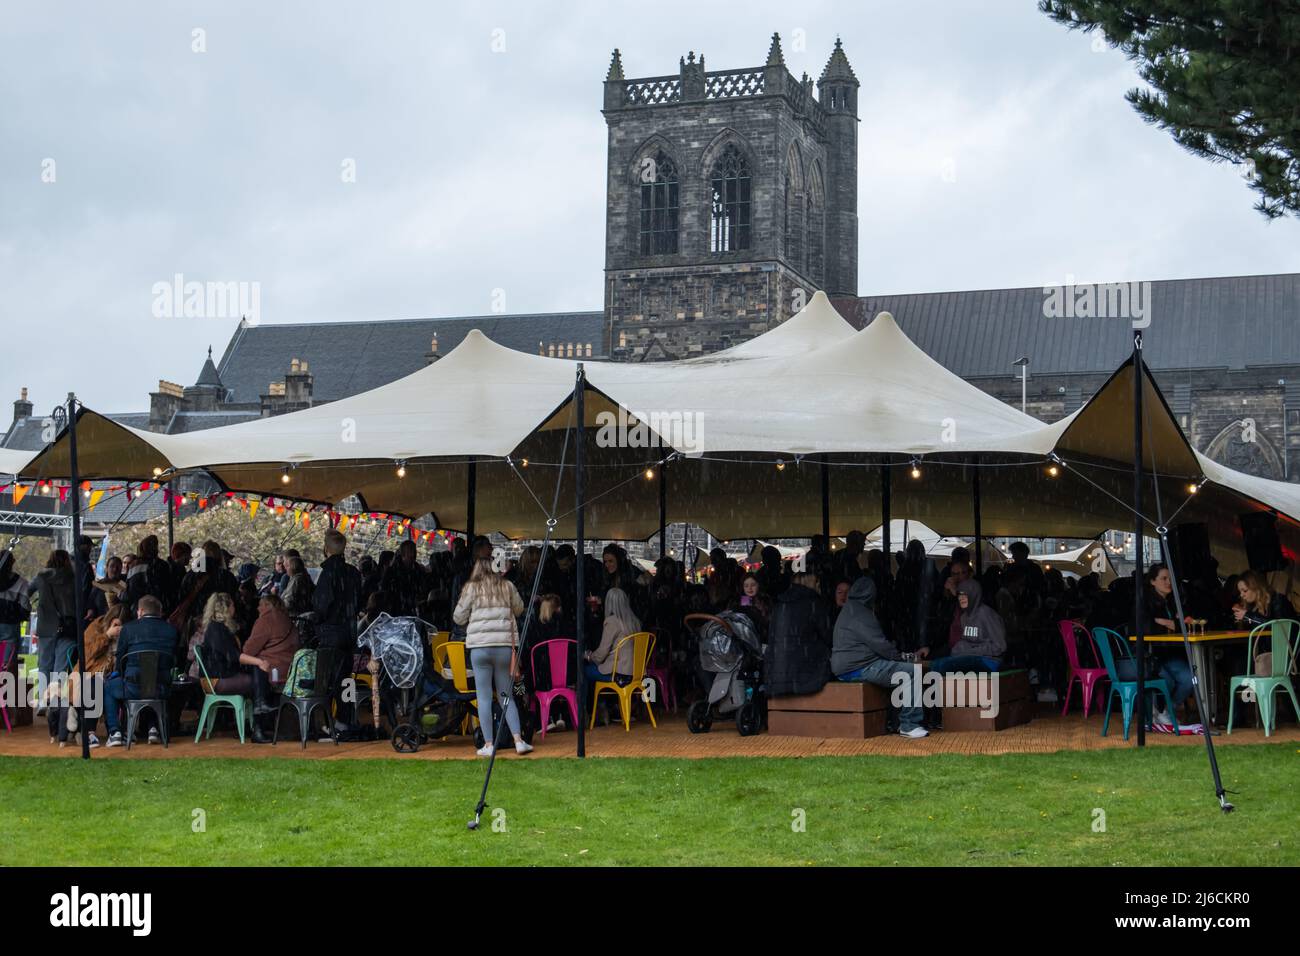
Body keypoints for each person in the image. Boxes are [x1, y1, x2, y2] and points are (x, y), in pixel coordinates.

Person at [830, 576, 927, 738]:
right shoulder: (861, 613)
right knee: (911, 672)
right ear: (871, 595)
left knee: (898, 673)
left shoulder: (849, 610)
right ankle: (909, 725)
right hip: (859, 667)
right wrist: (901, 658)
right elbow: (880, 644)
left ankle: (896, 722)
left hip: (846, 667)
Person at [453, 555, 531, 756]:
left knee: (484, 697)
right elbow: (520, 609)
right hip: (504, 647)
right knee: (507, 696)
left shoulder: (471, 588)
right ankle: (518, 740)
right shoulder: (507, 586)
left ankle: (488, 744)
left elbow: (458, 617)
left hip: (479, 649)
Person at [103, 595, 177, 747]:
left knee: (108, 686)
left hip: (133, 688)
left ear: (141, 611)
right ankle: (154, 728)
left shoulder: (129, 629)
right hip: (161, 689)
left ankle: (115, 732)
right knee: (150, 678)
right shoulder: (171, 630)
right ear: (160, 612)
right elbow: (174, 660)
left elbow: (120, 660)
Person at [312, 530, 364, 731]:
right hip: (349, 633)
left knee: (327, 680)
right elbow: (358, 602)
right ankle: (346, 718)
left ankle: (325, 723)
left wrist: (318, 619)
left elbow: (321, 605)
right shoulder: (353, 573)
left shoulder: (328, 574)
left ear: (326, 549)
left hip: (331, 634)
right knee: (346, 679)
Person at [65, 603, 127, 748]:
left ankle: (115, 731)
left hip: (111, 674)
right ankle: (90, 732)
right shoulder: (95, 628)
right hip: (87, 672)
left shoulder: (126, 633)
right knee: (97, 686)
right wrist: (107, 636)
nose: (119, 628)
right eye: (116, 624)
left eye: (121, 625)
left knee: (112, 685)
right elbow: (86, 654)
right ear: (110, 620)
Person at [1141, 564, 1195, 726]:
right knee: (1167, 681)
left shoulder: (1173, 601)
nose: (1168, 582)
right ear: (1152, 581)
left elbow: (1184, 625)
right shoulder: (1145, 602)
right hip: (1150, 655)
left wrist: (1165, 622)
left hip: (1171, 653)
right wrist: (1171, 623)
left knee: (1190, 679)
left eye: (1170, 579)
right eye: (1164, 579)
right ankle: (1158, 712)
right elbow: (1146, 627)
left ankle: (1167, 711)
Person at [765, 572, 833, 697]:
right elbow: (829, 637)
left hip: (776, 678)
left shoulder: (779, 605)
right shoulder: (814, 604)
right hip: (807, 678)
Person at [31, 549, 77, 722]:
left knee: (44, 664)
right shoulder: (72, 578)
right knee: (60, 665)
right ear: (66, 560)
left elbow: (26, 591)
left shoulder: (41, 577)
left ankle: (44, 700)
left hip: (46, 626)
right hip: (68, 626)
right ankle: (56, 701)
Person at [929, 579, 1006, 674]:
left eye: (965, 595)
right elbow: (964, 643)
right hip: (970, 657)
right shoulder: (964, 617)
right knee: (936, 664)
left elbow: (1000, 646)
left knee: (941, 666)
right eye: (959, 595)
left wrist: (971, 651)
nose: (961, 598)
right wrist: (961, 649)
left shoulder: (986, 614)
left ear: (973, 595)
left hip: (989, 660)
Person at [1232, 570, 1297, 676]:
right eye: (1240, 592)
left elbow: (1279, 627)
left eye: (1244, 590)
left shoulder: (1278, 601)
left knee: (1241, 662)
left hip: (1285, 656)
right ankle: (1245, 689)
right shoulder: (1253, 608)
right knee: (1237, 657)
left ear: (1256, 587)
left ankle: (1247, 689)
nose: (1242, 595)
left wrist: (1249, 616)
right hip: (1266, 655)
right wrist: (1241, 619)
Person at [123, 534, 172, 618]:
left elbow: (130, 590)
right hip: (158, 609)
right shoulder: (162, 565)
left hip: (139, 609)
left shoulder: (134, 565)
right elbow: (167, 588)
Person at [0, 550, 31, 667]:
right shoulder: (21, 582)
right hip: (10, 623)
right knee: (7, 661)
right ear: (12, 562)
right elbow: (25, 606)